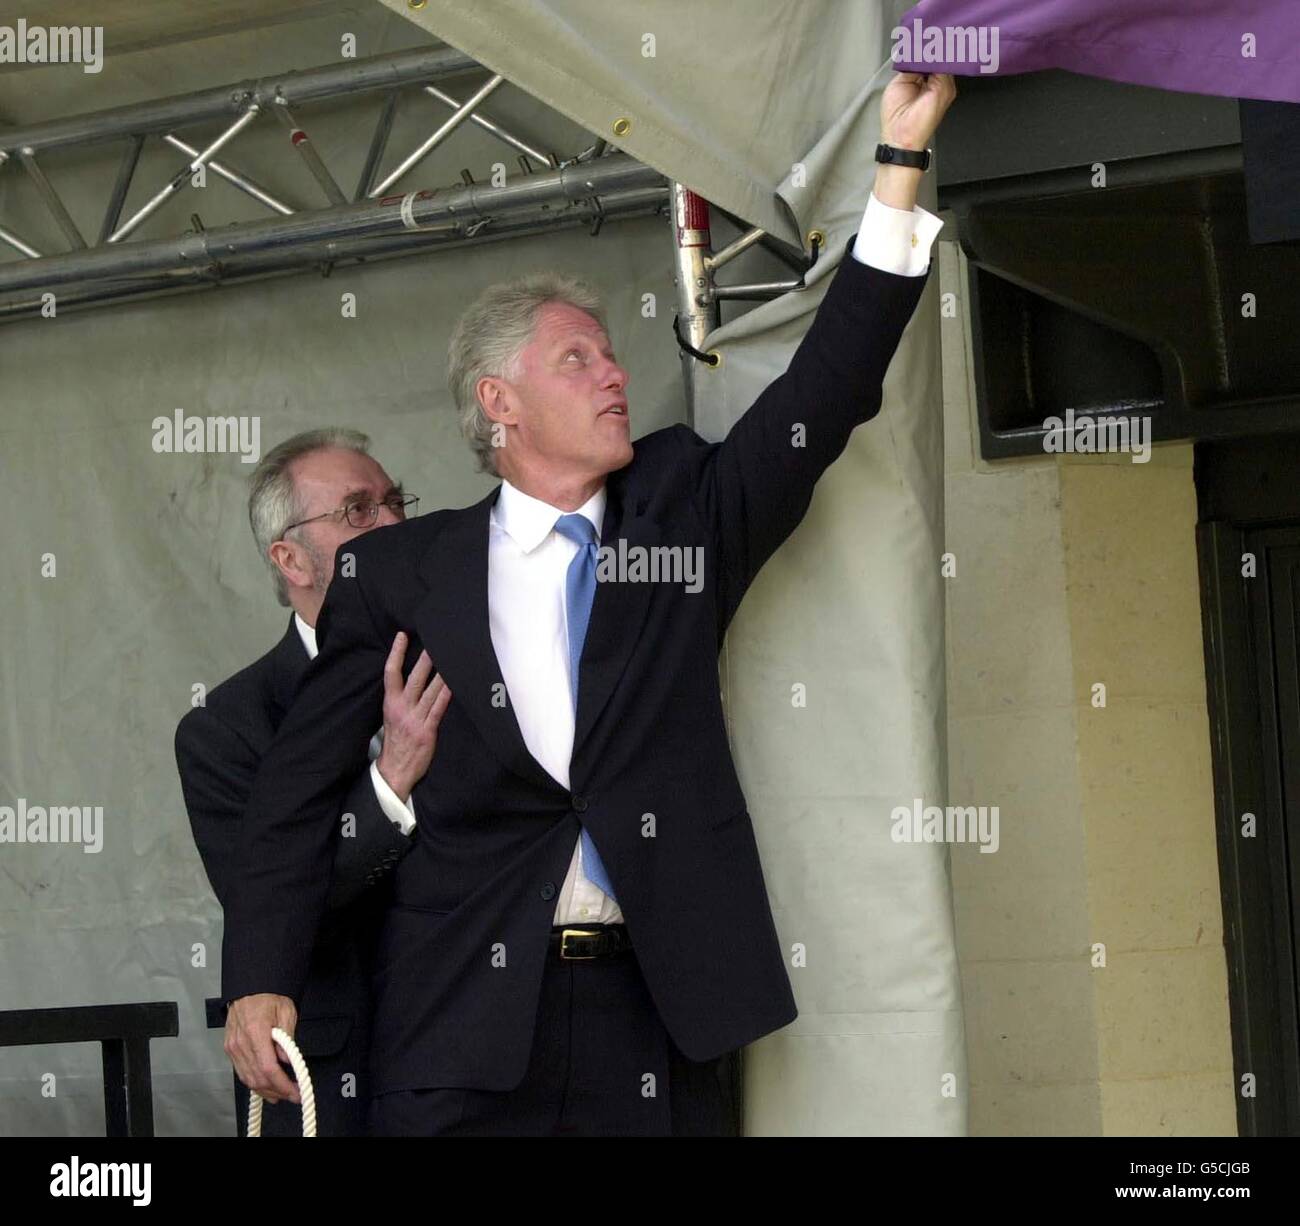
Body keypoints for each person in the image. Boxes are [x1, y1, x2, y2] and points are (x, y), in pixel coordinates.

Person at [221, 71, 957, 1135]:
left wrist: (896, 172)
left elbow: (824, 394)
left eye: (611, 356)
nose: (613, 375)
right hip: (458, 1025)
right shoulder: (398, 573)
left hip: (657, 1013)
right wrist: (259, 976)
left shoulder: (681, 509)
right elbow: (289, 797)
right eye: (578, 358)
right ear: (498, 400)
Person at [175, 428, 450, 1135]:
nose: (391, 523)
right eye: (358, 511)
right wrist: (389, 784)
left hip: (480, 1046)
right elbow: (276, 899)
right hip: (334, 1072)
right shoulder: (226, 728)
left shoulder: (463, 664)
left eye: (395, 502)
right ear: (290, 558)